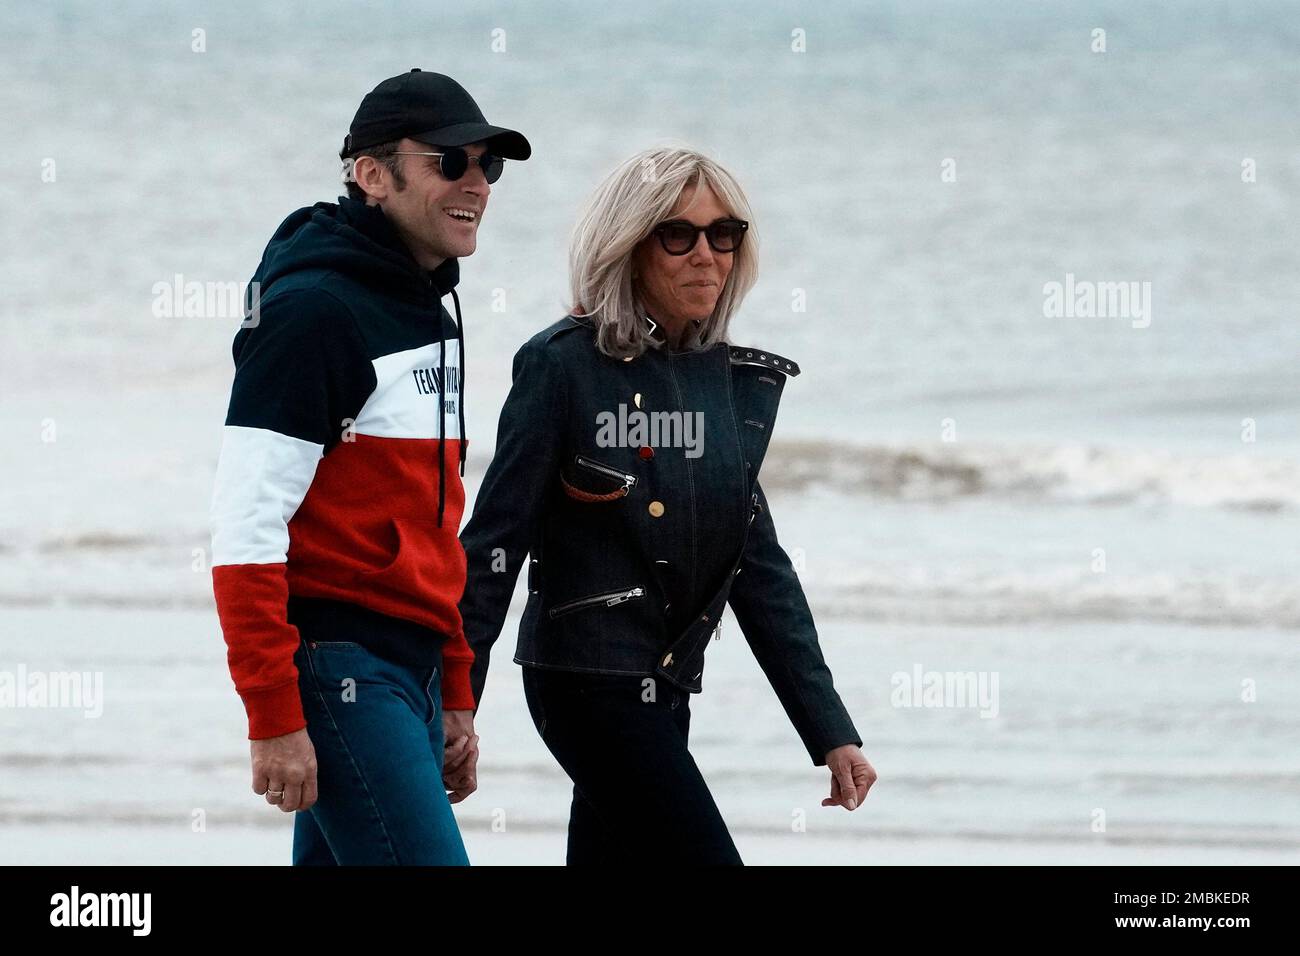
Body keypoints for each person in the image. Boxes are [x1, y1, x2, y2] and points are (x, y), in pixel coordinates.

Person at [457, 146, 876, 864]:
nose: (705, 255)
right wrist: (454, 699)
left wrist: (830, 729)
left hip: (666, 685)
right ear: (628, 245)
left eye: (724, 235)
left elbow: (760, 569)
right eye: (677, 235)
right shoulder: (562, 366)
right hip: (583, 683)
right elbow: (495, 543)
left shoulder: (727, 387)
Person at [208, 69, 529, 864]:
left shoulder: (428, 308)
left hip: (409, 670)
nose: (477, 184)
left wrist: (454, 686)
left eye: (488, 165)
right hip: (338, 669)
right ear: (372, 175)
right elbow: (245, 527)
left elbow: (435, 523)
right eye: (450, 163)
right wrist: (273, 716)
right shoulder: (314, 313)